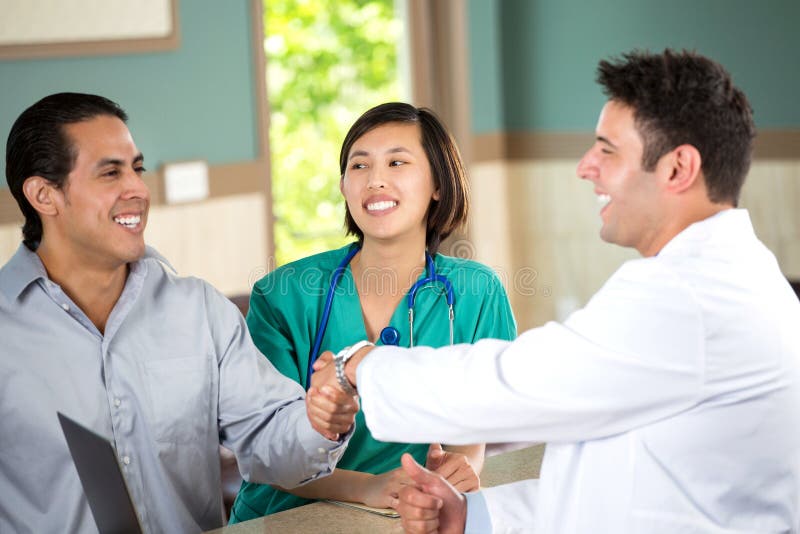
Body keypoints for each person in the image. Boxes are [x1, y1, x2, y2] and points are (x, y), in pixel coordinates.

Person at [308, 50, 800, 533]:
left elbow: (515, 384)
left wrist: (360, 364)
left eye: (607, 149)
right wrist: (473, 514)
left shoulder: (686, 296)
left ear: (677, 169)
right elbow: (615, 478)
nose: (586, 166)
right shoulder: (728, 278)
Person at [0, 92, 359, 533]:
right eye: (110, 172)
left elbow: (273, 442)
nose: (137, 190)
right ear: (44, 195)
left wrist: (320, 420)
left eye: (137, 168)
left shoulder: (199, 311)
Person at [230, 102, 516, 521]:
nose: (375, 180)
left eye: (397, 162)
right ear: (344, 186)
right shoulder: (283, 294)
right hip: (286, 518)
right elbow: (266, 448)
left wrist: (465, 462)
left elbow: (480, 411)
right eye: (359, 166)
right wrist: (369, 486)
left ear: (439, 184)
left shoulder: (477, 292)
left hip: (408, 517)